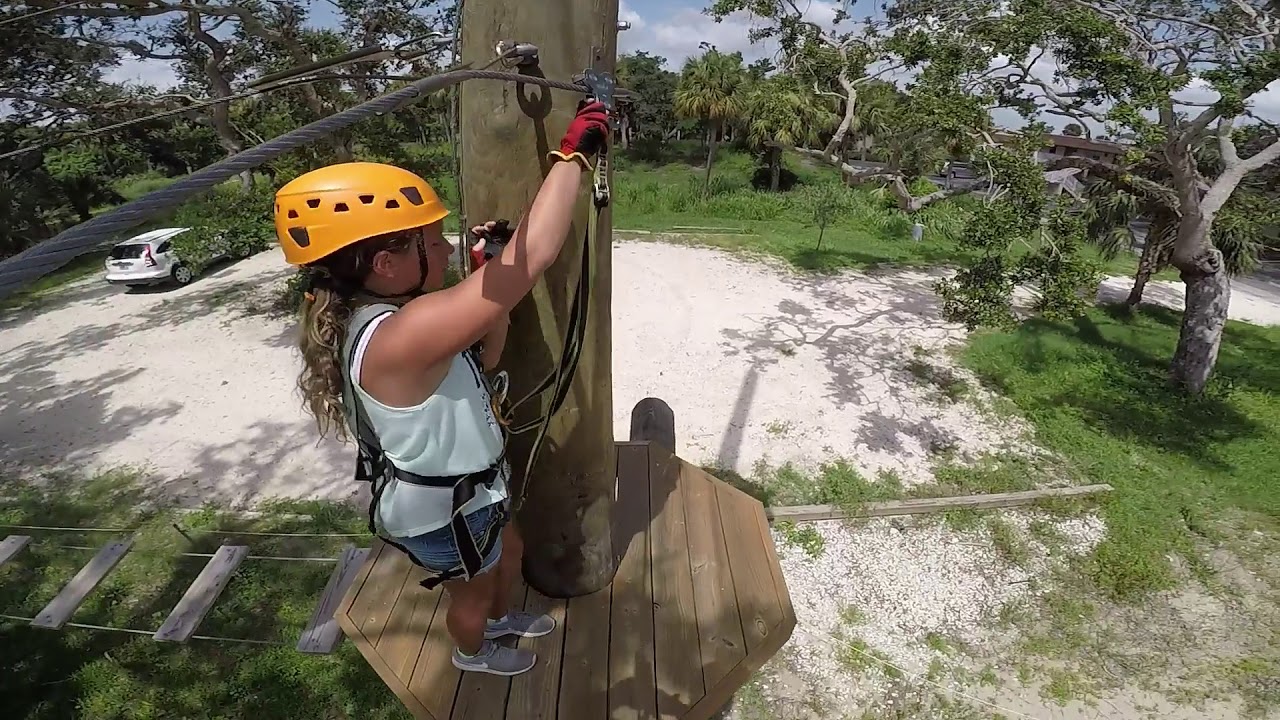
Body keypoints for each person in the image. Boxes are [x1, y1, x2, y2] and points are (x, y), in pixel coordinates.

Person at [273, 100, 611, 677]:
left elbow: (487, 350)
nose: (448, 250)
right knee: (473, 595)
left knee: (509, 555)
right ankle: (471, 651)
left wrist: (488, 271)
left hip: (471, 496)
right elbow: (536, 256)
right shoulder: (402, 336)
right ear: (385, 263)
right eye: (432, 244)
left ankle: (495, 622)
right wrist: (574, 153)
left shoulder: (394, 320)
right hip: (444, 511)